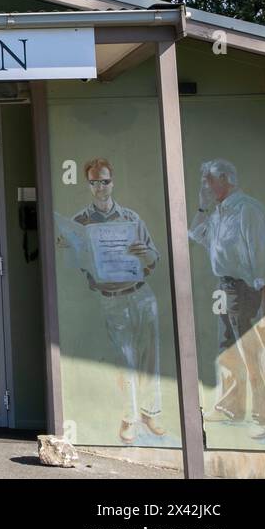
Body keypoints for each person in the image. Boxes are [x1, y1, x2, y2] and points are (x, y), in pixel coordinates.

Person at [68, 157, 166, 444]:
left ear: (113, 182)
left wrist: (143, 253)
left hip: (141, 293)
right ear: (88, 185)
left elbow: (154, 258)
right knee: (125, 360)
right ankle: (130, 416)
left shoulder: (132, 218)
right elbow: (73, 263)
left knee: (150, 356)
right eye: (95, 182)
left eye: (105, 181)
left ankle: (151, 412)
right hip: (112, 297)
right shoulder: (79, 222)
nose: (100, 187)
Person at [188, 159, 265, 439]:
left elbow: (262, 254)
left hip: (246, 287)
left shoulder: (247, 209)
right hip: (225, 287)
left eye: (208, 181)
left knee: (252, 351)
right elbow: (195, 233)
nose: (205, 187)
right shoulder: (218, 213)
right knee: (228, 348)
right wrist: (202, 207)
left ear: (226, 179)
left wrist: (264, 296)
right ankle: (231, 407)